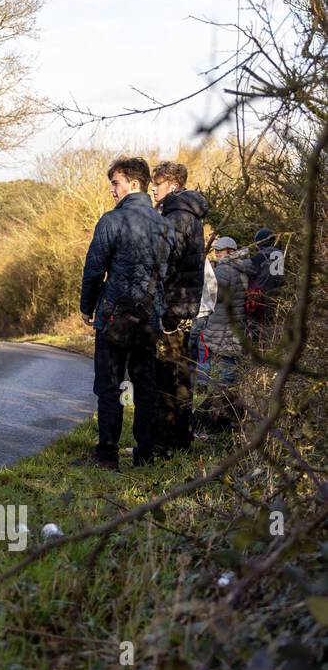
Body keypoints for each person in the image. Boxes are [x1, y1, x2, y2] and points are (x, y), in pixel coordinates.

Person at [79, 156, 174, 469]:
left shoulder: (111, 221)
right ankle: (144, 456)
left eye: (115, 183)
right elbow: (168, 274)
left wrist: (86, 307)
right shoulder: (165, 226)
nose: (111, 190)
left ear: (134, 184)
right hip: (149, 319)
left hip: (112, 317)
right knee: (145, 387)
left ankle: (107, 455)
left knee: (110, 385)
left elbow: (94, 269)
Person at [149, 161, 208, 456]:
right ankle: (181, 441)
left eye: (157, 183)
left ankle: (164, 445)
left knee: (167, 377)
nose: (152, 187)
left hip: (173, 310)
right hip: (186, 308)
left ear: (173, 184)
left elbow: (166, 264)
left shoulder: (176, 217)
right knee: (183, 376)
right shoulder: (189, 215)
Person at [197, 236, 255, 429]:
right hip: (235, 330)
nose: (216, 253)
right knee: (230, 379)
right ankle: (228, 420)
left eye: (219, 250)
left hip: (223, 331)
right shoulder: (243, 267)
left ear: (229, 250)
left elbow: (214, 296)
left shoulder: (224, 269)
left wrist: (208, 276)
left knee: (224, 382)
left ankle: (219, 423)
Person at [244, 227, 284, 346]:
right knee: (268, 329)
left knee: (255, 330)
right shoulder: (280, 255)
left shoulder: (260, 257)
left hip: (258, 299)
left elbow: (244, 267)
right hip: (274, 297)